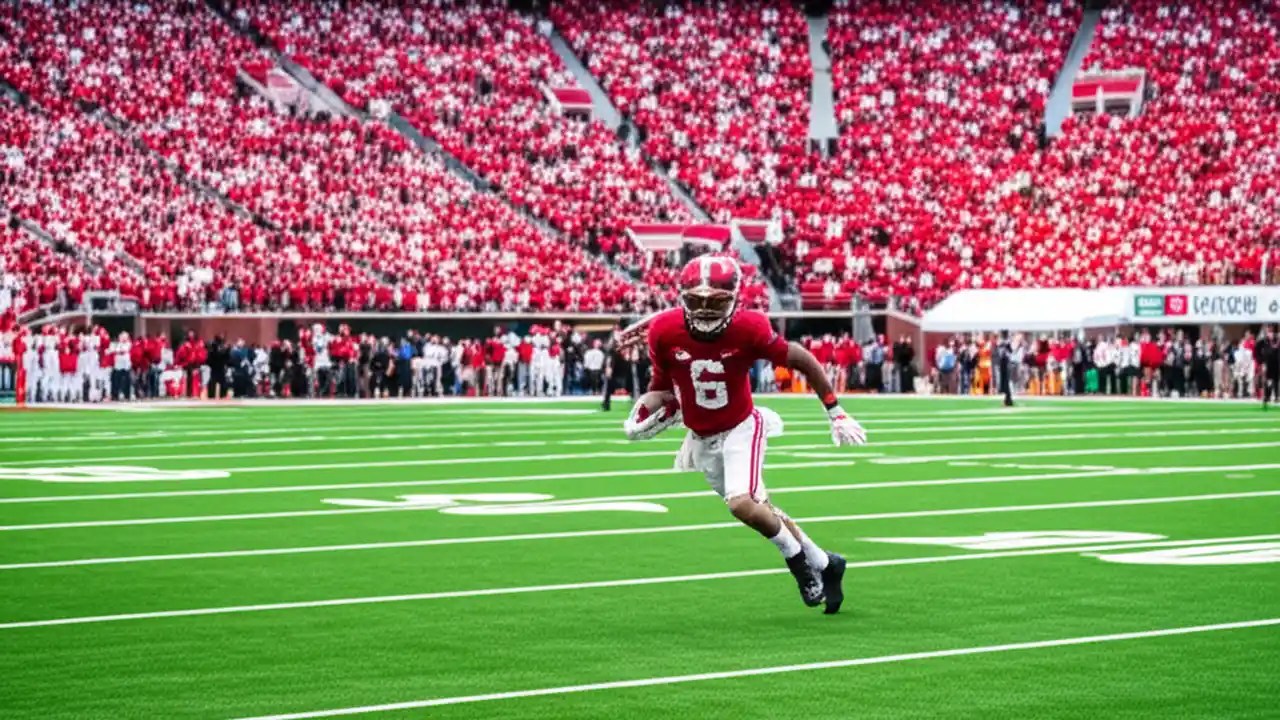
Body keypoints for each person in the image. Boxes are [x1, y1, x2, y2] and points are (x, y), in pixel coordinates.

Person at [620, 255, 867, 614]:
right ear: (682, 297)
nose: (704, 311)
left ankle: (799, 565)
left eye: (715, 302)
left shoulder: (749, 328)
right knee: (759, 510)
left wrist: (835, 409)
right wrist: (642, 411)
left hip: (741, 427)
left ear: (735, 298)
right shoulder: (664, 330)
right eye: (696, 301)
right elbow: (662, 388)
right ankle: (827, 564)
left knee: (741, 503)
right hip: (701, 438)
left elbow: (801, 358)